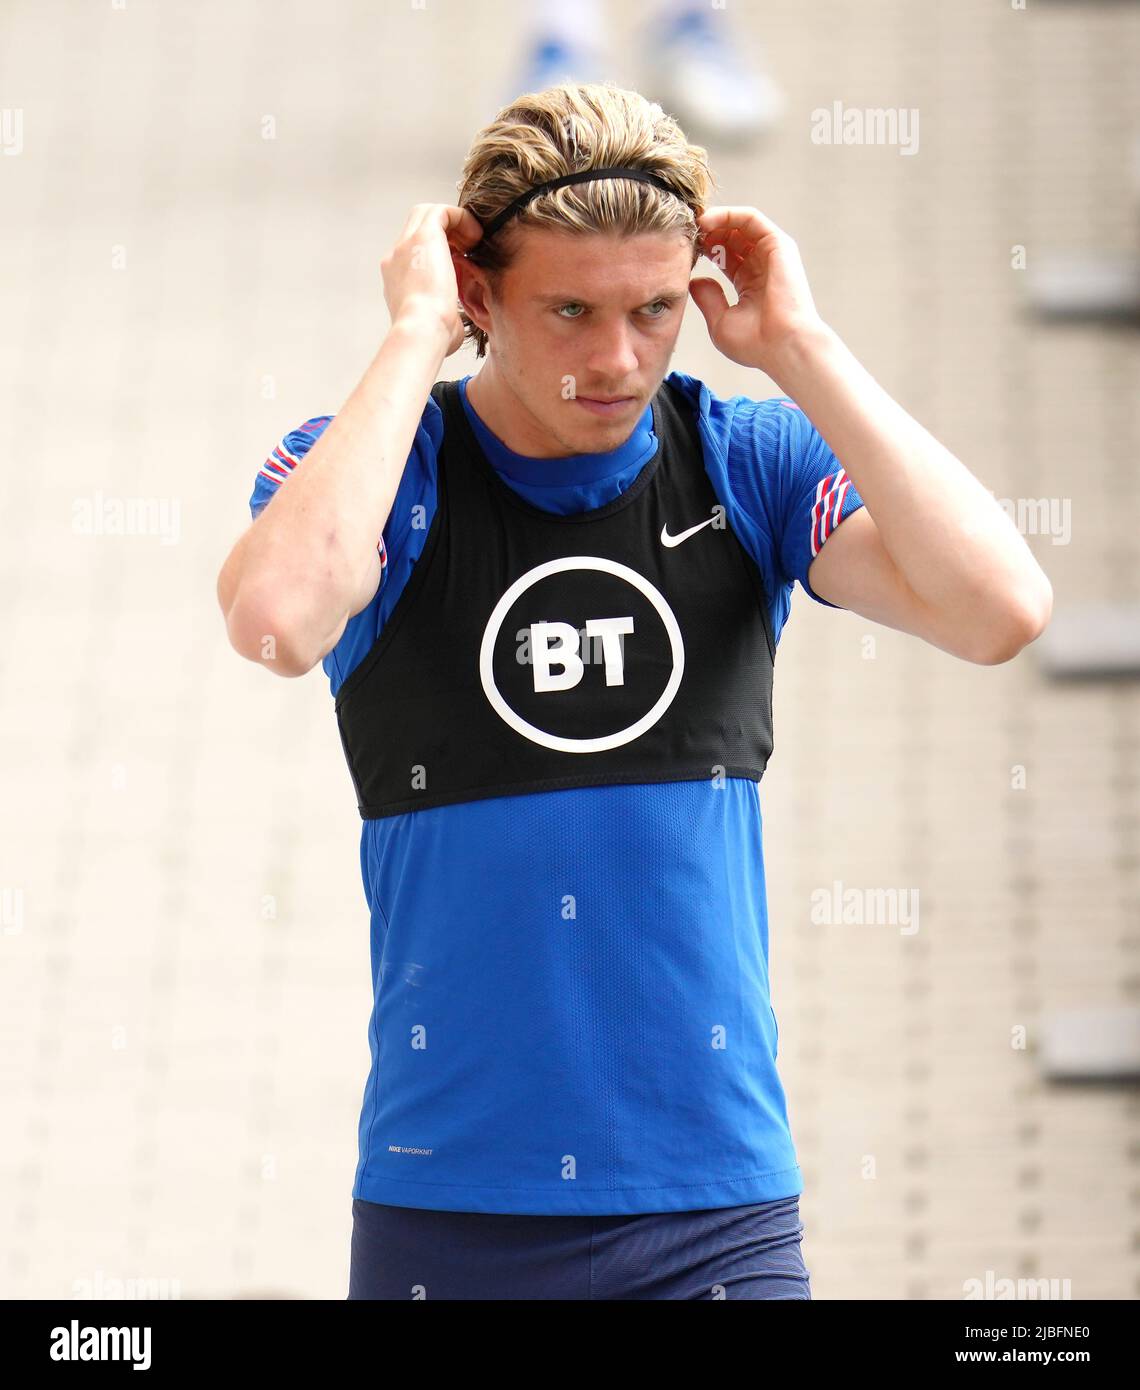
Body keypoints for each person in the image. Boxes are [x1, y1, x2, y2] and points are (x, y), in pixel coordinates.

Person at [216, 81, 1053, 1300]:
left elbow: (1001, 610)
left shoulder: (745, 460)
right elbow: (279, 622)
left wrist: (802, 351)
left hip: (715, 1207)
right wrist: (410, 343)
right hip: (451, 1208)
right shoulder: (377, 474)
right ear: (479, 294)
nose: (618, 359)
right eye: (571, 311)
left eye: (655, 310)